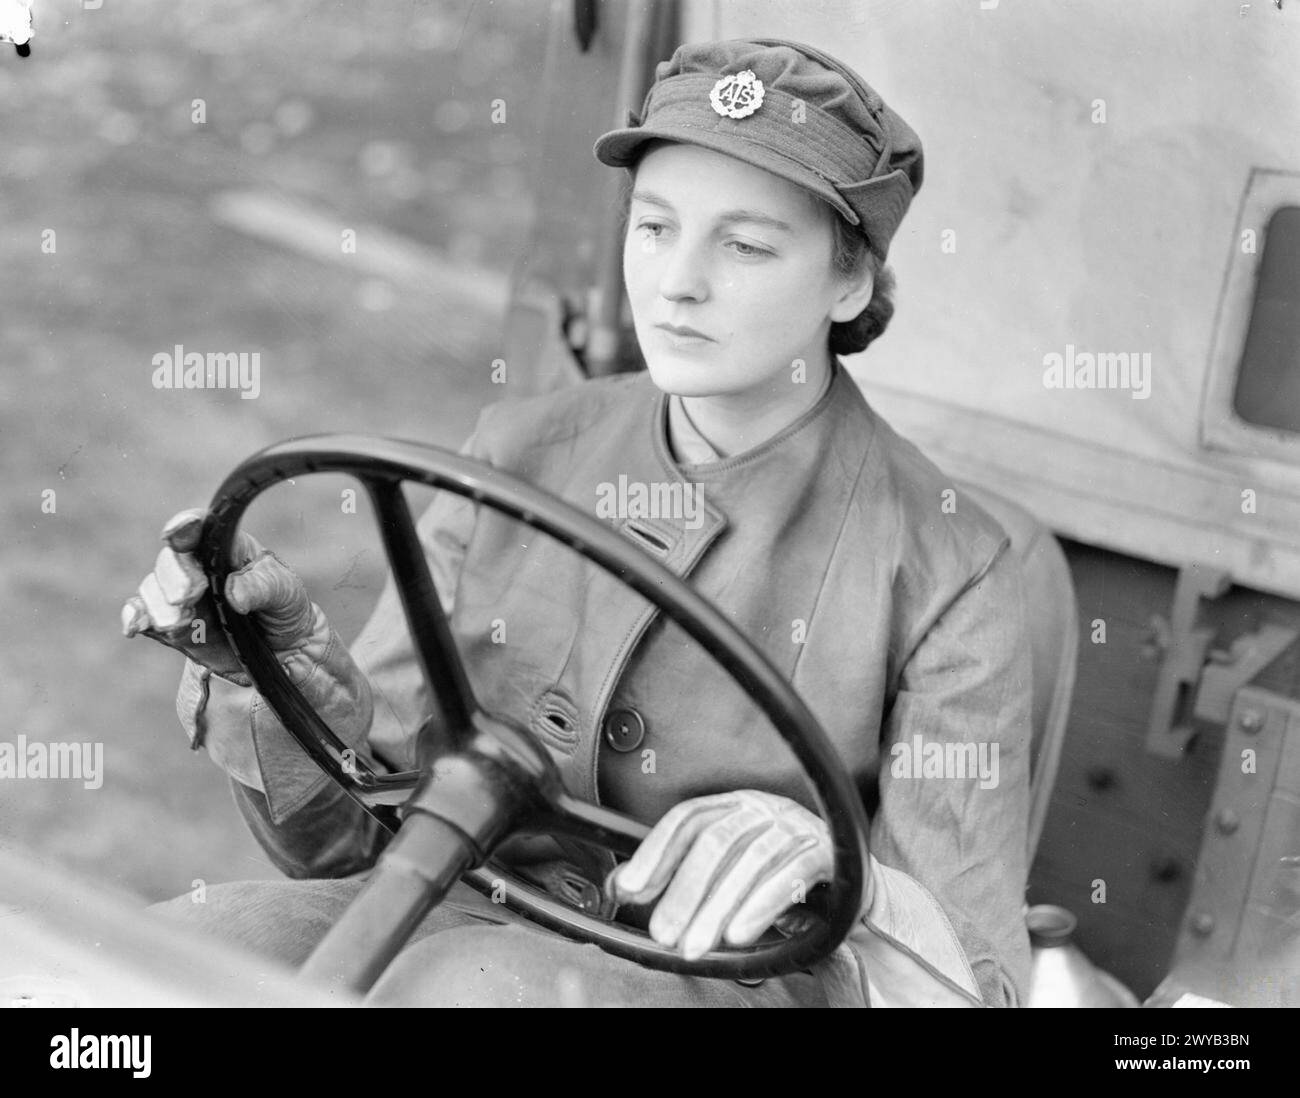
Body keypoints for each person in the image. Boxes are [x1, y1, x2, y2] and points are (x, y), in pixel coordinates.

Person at [124, 38, 1033, 1007]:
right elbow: (352, 848)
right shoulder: (517, 450)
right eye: (653, 228)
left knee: (471, 990)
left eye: (745, 245)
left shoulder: (952, 569)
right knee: (158, 958)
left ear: (848, 283)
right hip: (464, 921)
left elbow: (971, 987)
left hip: (732, 988)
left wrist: (840, 875)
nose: (677, 281)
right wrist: (287, 690)